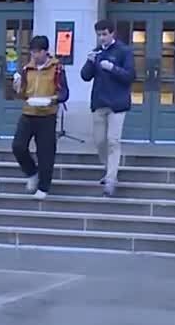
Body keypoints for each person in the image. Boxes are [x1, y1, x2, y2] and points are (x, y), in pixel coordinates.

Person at [80, 19, 135, 196]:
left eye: (104, 34)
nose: (102, 38)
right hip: (99, 102)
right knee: (99, 141)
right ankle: (108, 168)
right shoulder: (97, 52)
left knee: (113, 141)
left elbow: (130, 76)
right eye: (99, 35)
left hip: (118, 104)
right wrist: (89, 62)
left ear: (112, 33)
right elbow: (85, 76)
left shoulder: (124, 51)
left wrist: (112, 68)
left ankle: (111, 178)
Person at [11, 35, 69, 200]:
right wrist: (17, 88)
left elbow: (64, 93)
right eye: (32, 52)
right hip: (28, 112)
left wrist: (54, 99)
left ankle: (44, 186)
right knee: (18, 146)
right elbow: (22, 93)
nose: (34, 56)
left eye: (37, 52)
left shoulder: (57, 68)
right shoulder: (27, 69)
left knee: (45, 152)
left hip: (47, 114)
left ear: (45, 52)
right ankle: (31, 172)